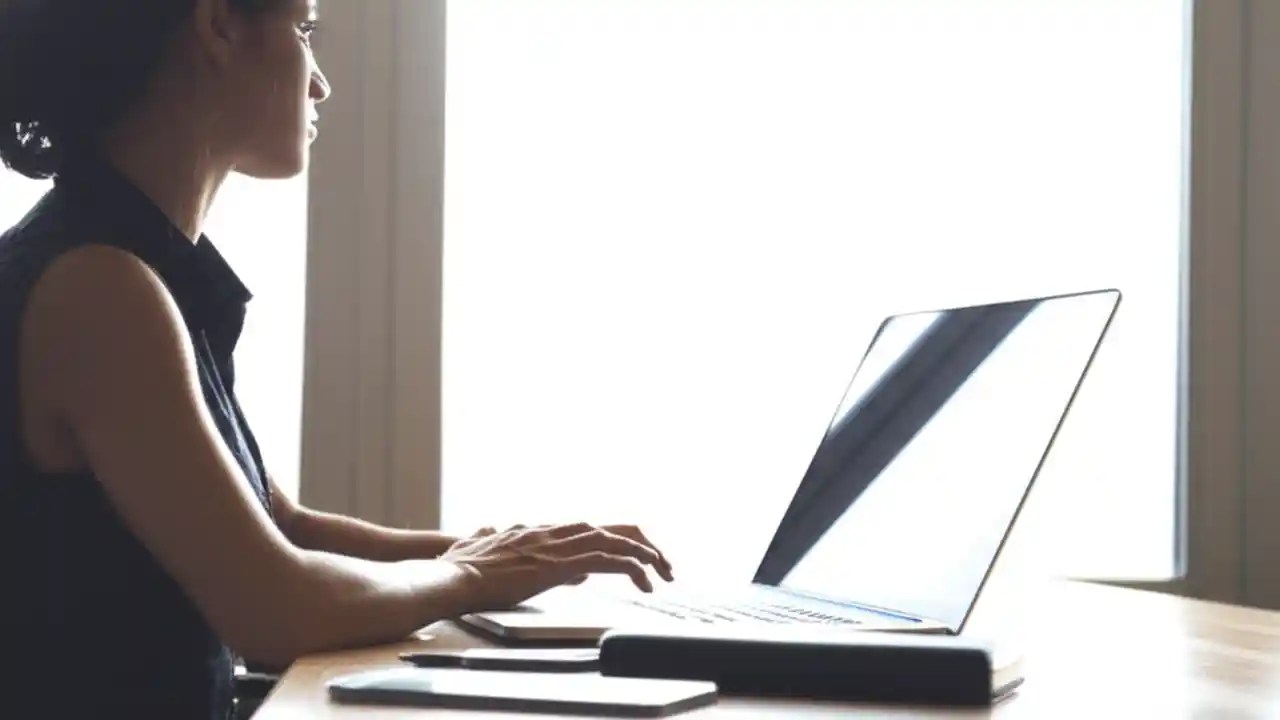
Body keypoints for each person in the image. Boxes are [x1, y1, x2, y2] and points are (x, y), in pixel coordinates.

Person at [0, 0, 673, 716]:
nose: (320, 82)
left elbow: (275, 525)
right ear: (219, 24)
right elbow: (271, 603)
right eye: (304, 31)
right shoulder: (99, 290)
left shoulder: (124, 267)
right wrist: (472, 576)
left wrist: (516, 556)